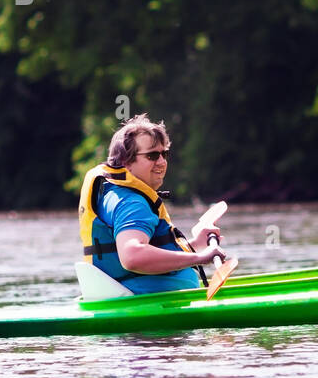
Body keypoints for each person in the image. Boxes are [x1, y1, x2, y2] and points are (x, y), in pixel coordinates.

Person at [78, 114, 225, 293]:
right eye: (152, 155)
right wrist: (199, 258)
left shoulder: (115, 194)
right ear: (126, 162)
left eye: (164, 153)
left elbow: (146, 250)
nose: (162, 161)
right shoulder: (131, 203)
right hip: (146, 306)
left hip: (137, 300)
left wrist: (193, 245)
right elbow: (132, 256)